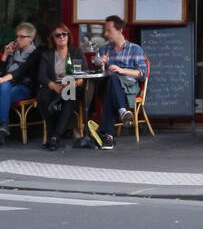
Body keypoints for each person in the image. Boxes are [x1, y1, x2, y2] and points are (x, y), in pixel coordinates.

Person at [84, 16, 148, 151]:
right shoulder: (104, 50)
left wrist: (121, 70)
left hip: (129, 88)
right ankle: (122, 112)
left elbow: (141, 74)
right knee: (111, 81)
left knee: (112, 82)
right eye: (105, 31)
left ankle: (107, 135)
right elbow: (99, 75)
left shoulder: (135, 49)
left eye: (108, 30)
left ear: (120, 30)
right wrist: (101, 65)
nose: (105, 34)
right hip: (108, 85)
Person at [0, 24, 42, 147]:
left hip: (24, 88)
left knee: (1, 89)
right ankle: (2, 128)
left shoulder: (35, 53)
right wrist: (6, 54)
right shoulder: (13, 52)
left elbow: (21, 71)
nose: (18, 40)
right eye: (17, 37)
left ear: (31, 38)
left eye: (22, 37)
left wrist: (3, 79)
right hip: (8, 87)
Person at [37, 25, 86, 151]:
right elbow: (41, 76)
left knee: (68, 96)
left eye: (64, 34)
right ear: (53, 39)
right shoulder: (47, 55)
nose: (62, 37)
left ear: (69, 36)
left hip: (72, 85)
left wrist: (73, 84)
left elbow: (85, 74)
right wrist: (54, 86)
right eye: (58, 35)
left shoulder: (76, 52)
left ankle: (55, 137)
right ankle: (52, 133)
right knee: (43, 96)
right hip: (54, 86)